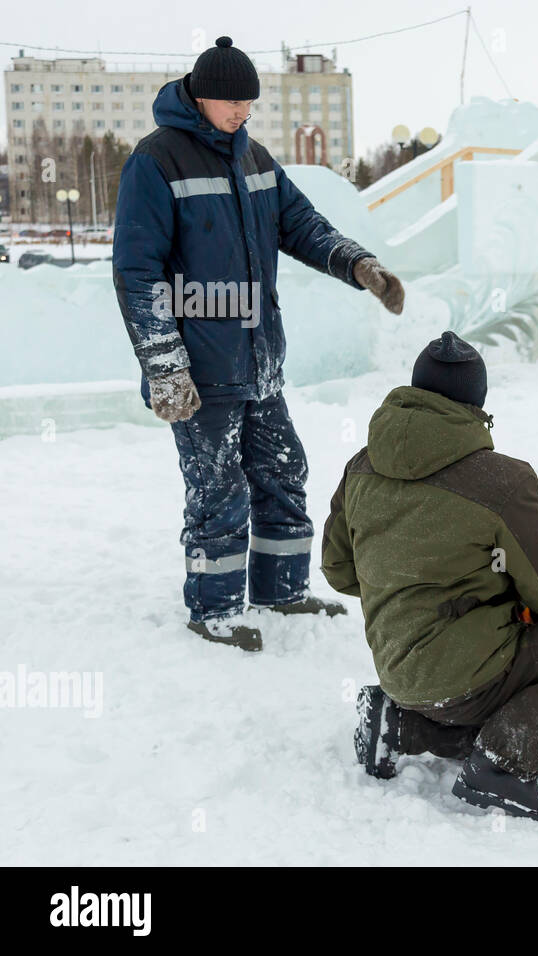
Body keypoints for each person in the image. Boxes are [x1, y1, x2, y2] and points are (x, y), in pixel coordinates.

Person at [113, 37, 406, 652]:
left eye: (250, 102)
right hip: (198, 368)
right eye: (232, 103)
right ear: (200, 96)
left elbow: (300, 224)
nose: (243, 112)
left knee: (282, 471)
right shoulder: (157, 160)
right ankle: (214, 610)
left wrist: (358, 265)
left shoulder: (256, 160)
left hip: (259, 362)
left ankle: (280, 590)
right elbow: (136, 273)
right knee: (217, 487)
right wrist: (165, 366)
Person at [323, 331, 538, 820]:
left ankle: (403, 724)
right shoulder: (500, 481)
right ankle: (500, 768)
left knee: (487, 669)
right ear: (476, 405)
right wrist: (529, 621)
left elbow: (338, 570)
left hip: (396, 669)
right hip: (469, 676)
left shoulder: (361, 467)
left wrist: (402, 585)